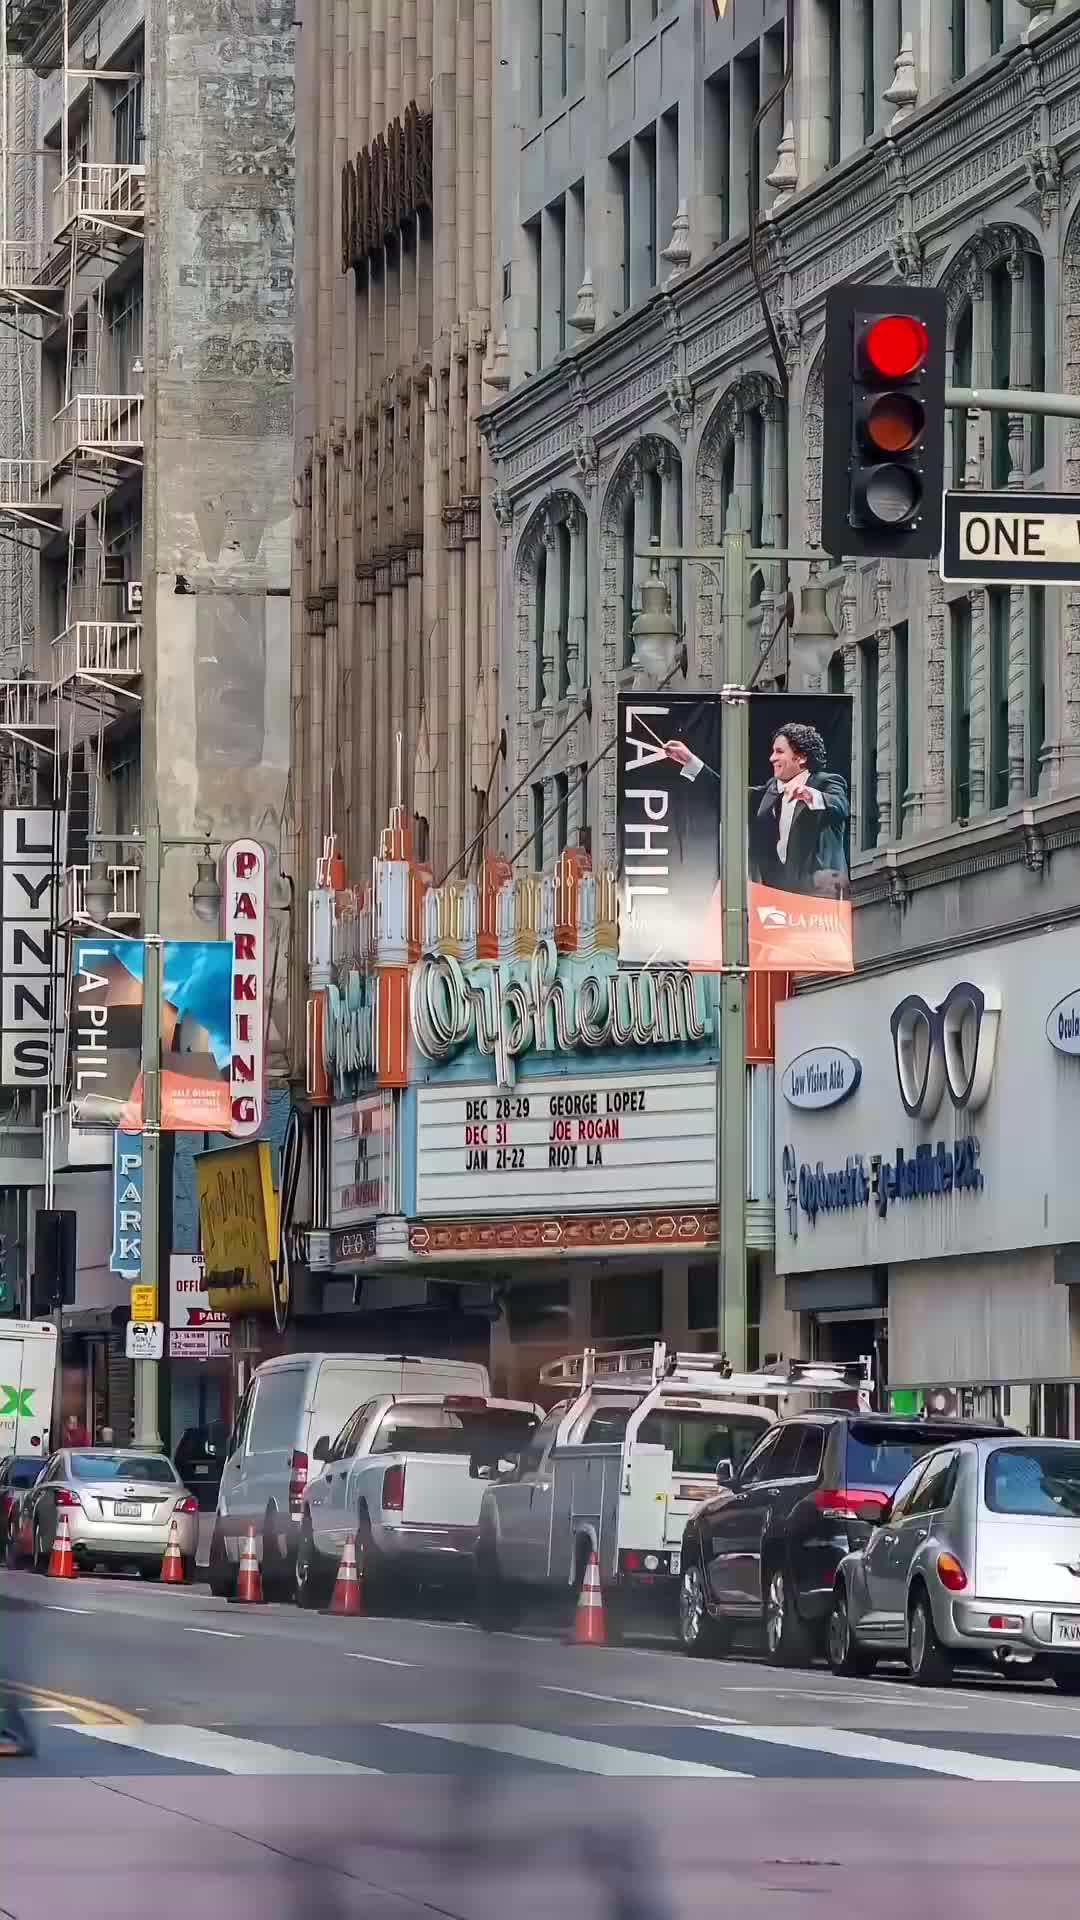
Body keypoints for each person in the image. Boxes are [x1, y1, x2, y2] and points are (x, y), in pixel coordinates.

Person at [748, 722, 850, 900]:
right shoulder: (771, 789)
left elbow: (841, 806)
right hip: (778, 899)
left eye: (779, 752)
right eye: (773, 752)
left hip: (821, 896)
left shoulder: (827, 782)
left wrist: (810, 794)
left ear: (801, 757)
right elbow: (730, 793)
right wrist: (696, 766)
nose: (772, 758)